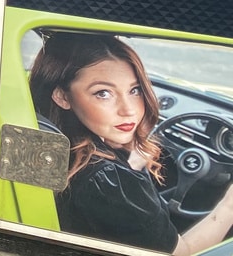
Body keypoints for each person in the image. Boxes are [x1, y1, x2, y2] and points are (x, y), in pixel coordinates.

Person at [29, 32, 233, 255]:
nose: (129, 110)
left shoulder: (52, 145)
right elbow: (179, 253)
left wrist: (134, 166)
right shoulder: (108, 180)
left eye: (134, 90)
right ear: (62, 97)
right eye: (103, 93)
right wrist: (228, 207)